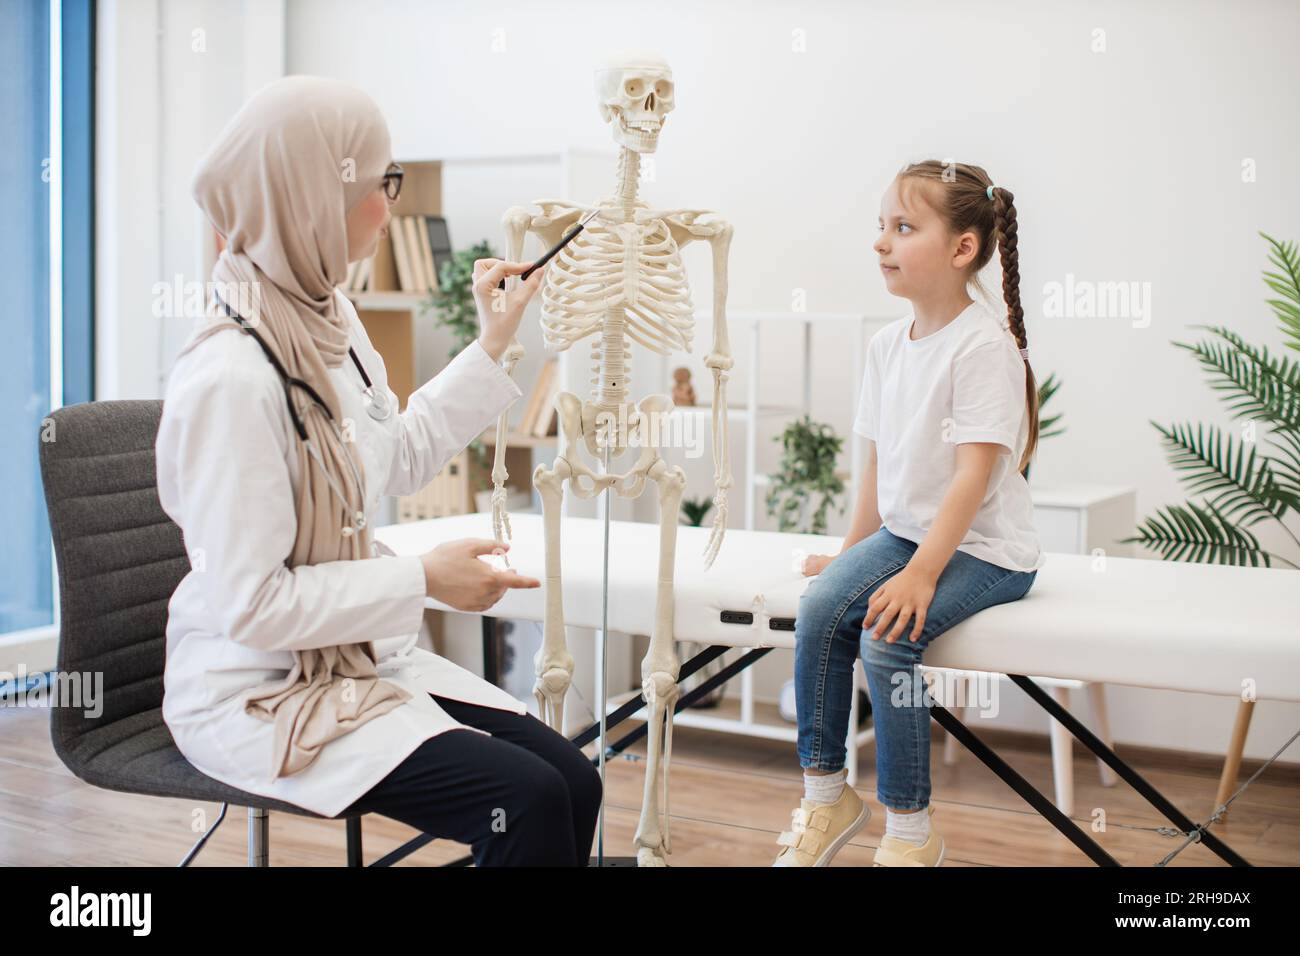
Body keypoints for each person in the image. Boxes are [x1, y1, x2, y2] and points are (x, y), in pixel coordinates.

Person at [155, 75, 601, 866]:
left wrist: (493, 338)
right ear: (309, 201)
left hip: (353, 651)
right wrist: (421, 580)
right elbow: (254, 608)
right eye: (378, 184)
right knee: (527, 799)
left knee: (574, 778)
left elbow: (394, 456)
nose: (390, 206)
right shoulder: (231, 380)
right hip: (259, 684)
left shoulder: (327, 315)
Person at [771, 160, 1046, 867]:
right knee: (822, 607)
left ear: (962, 250)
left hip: (986, 548)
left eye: (902, 228)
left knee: (887, 638)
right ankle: (827, 793)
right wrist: (849, 555)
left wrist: (921, 576)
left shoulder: (985, 346)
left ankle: (909, 835)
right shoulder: (886, 347)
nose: (880, 243)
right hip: (906, 536)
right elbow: (879, 469)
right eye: (881, 227)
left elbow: (969, 481)